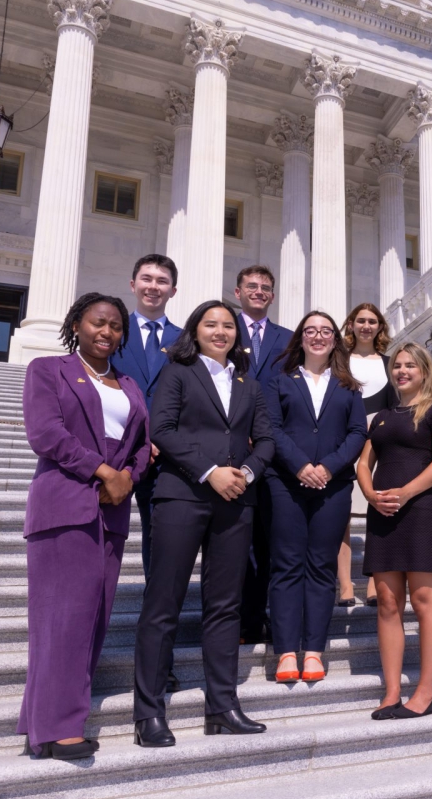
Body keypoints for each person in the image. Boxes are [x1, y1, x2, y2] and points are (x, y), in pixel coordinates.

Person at [133, 300, 276, 748]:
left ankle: (223, 706)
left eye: (228, 325)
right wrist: (211, 471)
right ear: (195, 331)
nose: (220, 331)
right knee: (164, 602)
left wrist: (246, 473)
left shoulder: (248, 383)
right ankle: (149, 713)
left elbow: (267, 439)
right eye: (210, 324)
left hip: (235, 501)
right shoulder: (178, 372)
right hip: (183, 495)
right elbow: (163, 429)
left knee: (225, 607)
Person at [18, 293, 150, 760]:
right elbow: (46, 433)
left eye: (116, 326)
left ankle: (42, 723)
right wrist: (102, 471)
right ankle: (60, 730)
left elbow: (142, 444)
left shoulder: (129, 384)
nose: (107, 332)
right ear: (76, 323)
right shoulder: (48, 371)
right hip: (64, 505)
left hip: (110, 513)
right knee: (64, 620)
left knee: (91, 623)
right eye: (98, 322)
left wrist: (127, 477)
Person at [263, 311, 367, 684]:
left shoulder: (350, 387)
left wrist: (327, 467)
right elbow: (271, 428)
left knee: (321, 567)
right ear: (301, 338)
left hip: (333, 486)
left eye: (326, 331)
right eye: (311, 331)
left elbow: (357, 433)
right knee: (288, 564)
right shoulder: (278, 382)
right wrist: (300, 465)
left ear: (336, 340)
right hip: (287, 483)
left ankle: (314, 652)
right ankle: (287, 650)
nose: (318, 336)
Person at [356, 342, 432, 720]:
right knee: (387, 602)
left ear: (424, 371)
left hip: (422, 512)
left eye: (410, 366)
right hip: (383, 513)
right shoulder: (380, 416)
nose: (402, 371)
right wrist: (370, 494)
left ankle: (425, 692)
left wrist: (406, 492)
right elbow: (364, 464)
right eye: (397, 365)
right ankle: (392, 690)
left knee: (425, 600)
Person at [109, 254, 181, 579]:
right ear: (133, 284)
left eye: (162, 281)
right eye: (147, 279)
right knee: (106, 535)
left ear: (173, 290)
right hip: (117, 455)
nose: (154, 287)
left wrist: (162, 439)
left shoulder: (185, 341)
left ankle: (153, 616)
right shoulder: (111, 334)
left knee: (162, 541)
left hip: (166, 459)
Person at [233, 265, 292, 646]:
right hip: (227, 449)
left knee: (268, 541)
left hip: (271, 452)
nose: (258, 292)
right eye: (251, 286)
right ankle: (233, 620)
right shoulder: (221, 328)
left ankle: (260, 618)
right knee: (231, 542)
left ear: (272, 296)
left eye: (265, 288)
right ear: (238, 291)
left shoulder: (287, 339)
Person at [341, 303, 399, 609]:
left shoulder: (390, 363)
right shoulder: (338, 359)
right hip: (340, 440)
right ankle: (345, 584)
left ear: (379, 327)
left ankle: (376, 583)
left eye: (372, 321)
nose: (366, 325)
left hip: (378, 443)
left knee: (377, 510)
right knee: (342, 513)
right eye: (360, 320)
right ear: (350, 325)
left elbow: (394, 405)